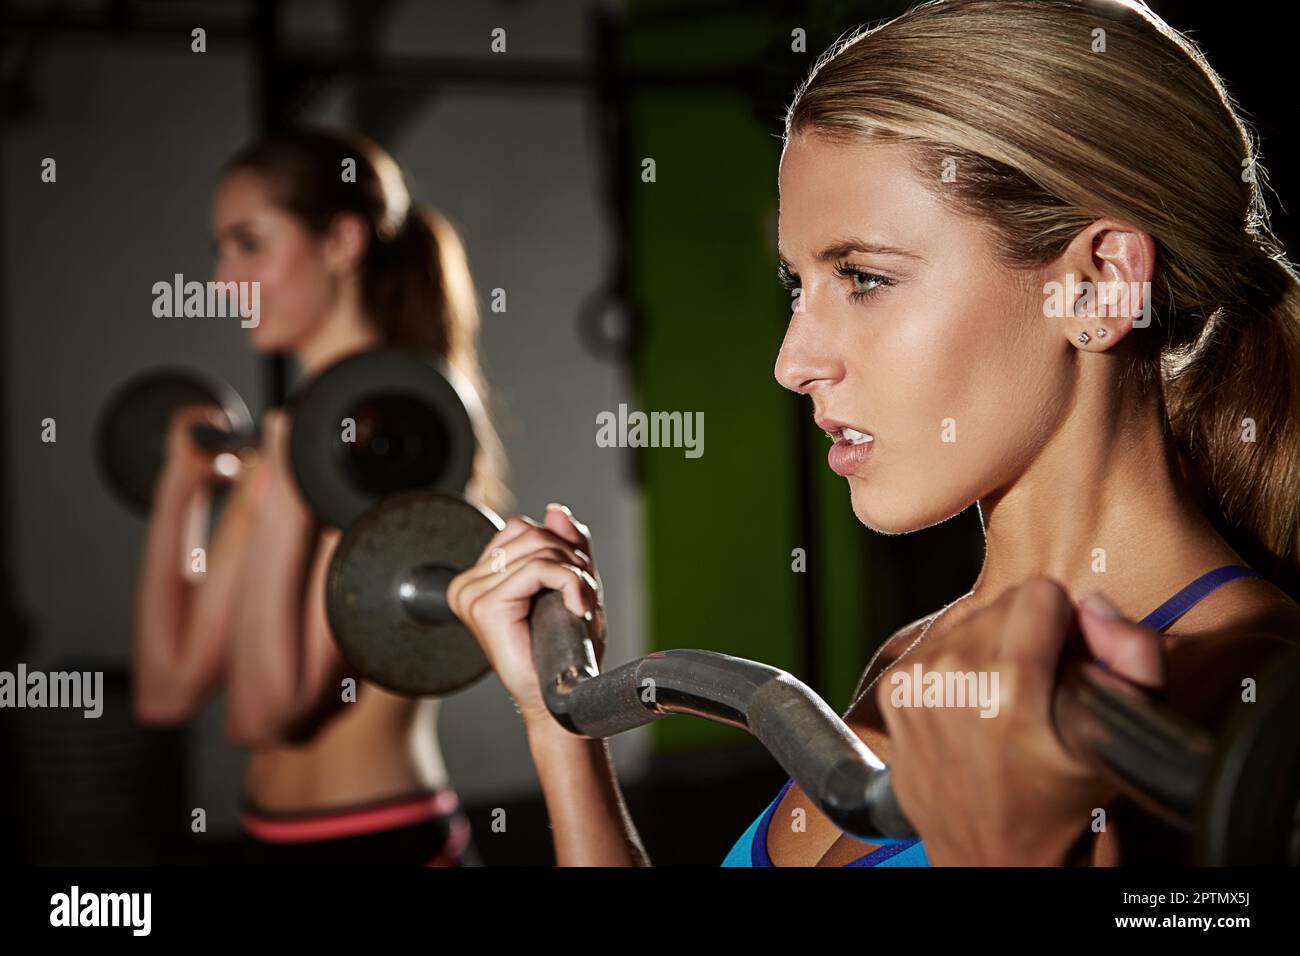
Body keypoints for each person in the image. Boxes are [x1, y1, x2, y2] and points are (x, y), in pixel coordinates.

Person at [446, 0, 1300, 865]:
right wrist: (559, 715)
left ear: (1098, 288)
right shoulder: (919, 650)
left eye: (863, 277)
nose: (792, 361)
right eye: (797, 283)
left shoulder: (1237, 709)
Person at [131, 127, 509, 865]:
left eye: (248, 244)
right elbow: (165, 692)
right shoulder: (295, 434)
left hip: (380, 840)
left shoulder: (391, 433)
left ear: (339, 241)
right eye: (220, 249)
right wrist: (181, 492)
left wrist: (280, 497)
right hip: (278, 835)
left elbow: (263, 713)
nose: (220, 278)